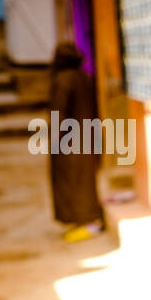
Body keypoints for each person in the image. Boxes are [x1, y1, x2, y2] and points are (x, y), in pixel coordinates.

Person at [47, 41, 104, 242]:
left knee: (73, 184)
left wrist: (54, 140)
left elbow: (58, 114)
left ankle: (87, 221)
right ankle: (85, 220)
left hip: (69, 144)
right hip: (88, 139)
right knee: (85, 182)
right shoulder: (84, 77)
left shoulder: (63, 80)